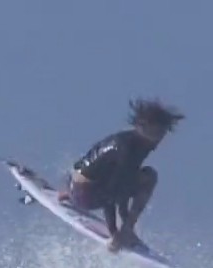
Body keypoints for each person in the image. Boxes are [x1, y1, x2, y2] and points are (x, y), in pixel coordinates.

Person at [60, 98, 184, 252]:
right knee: (150, 177)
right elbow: (113, 194)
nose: (160, 138)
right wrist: (115, 232)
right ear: (143, 127)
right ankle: (125, 232)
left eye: (163, 133)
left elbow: (90, 165)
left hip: (73, 184)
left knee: (117, 179)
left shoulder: (123, 138)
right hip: (88, 196)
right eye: (157, 132)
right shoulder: (129, 149)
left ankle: (67, 194)